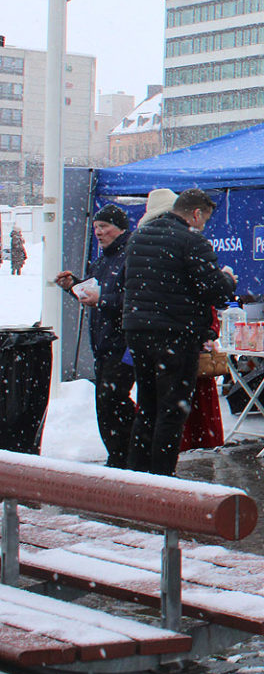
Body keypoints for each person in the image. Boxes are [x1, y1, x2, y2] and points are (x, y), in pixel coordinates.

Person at [121, 189, 236, 476]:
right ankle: (162, 478)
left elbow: (131, 281)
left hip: (138, 330)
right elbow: (214, 290)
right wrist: (228, 279)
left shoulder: (138, 237)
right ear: (196, 213)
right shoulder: (191, 240)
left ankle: (137, 473)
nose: (203, 226)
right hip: (174, 333)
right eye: (204, 219)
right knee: (172, 409)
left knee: (148, 405)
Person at [55, 205, 135, 468]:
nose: (99, 232)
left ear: (121, 228)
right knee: (105, 403)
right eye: (96, 227)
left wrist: (104, 300)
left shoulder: (130, 256)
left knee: (112, 400)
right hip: (102, 343)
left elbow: (134, 301)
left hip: (123, 344)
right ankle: (120, 455)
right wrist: (74, 286)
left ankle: (127, 455)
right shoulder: (102, 260)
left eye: (104, 227)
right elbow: (92, 294)